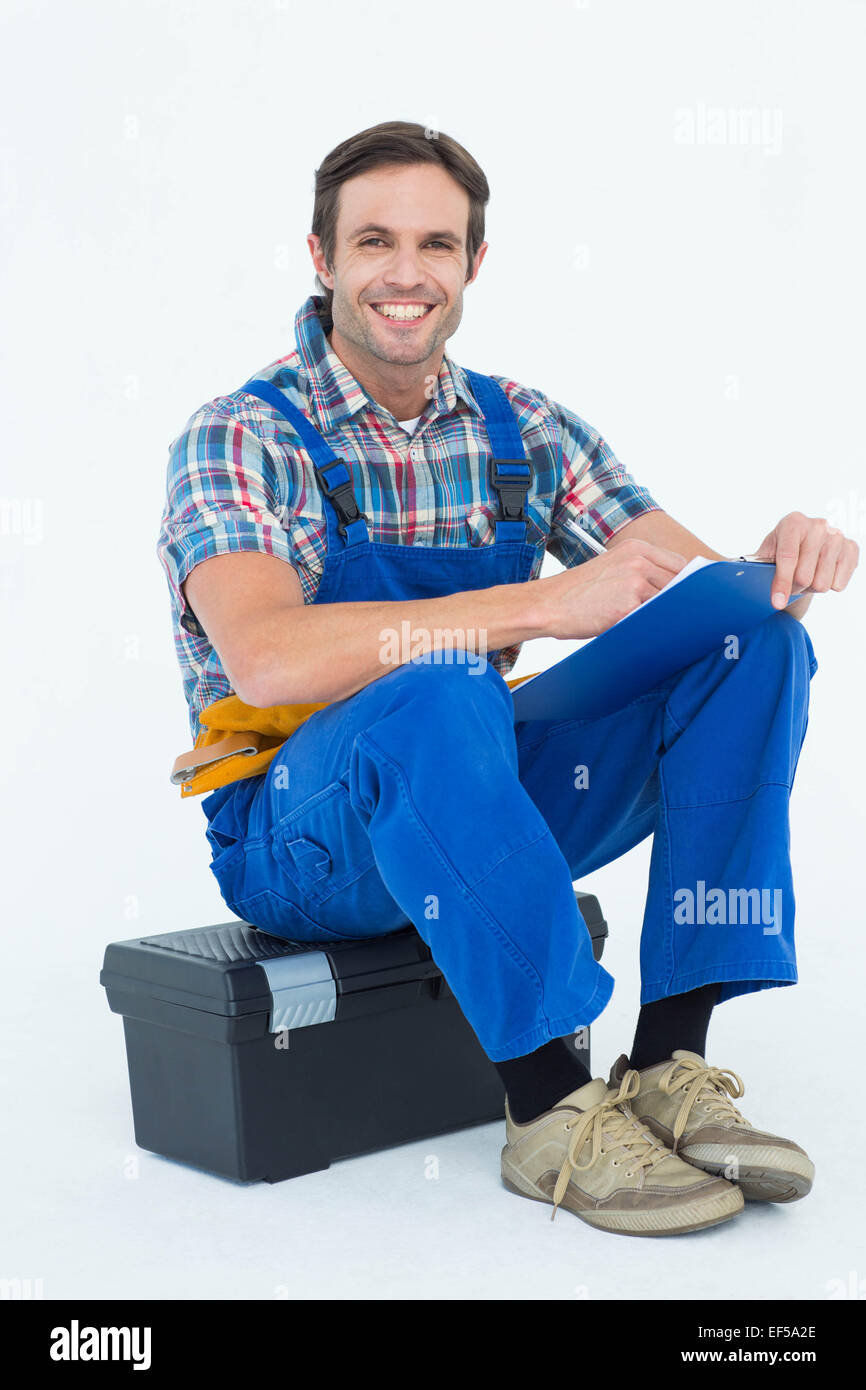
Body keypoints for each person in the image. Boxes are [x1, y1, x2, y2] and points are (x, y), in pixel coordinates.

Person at [157, 120, 858, 1237]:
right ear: (320, 257)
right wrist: (536, 603)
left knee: (753, 646)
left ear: (471, 265)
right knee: (440, 690)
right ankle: (546, 1111)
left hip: (469, 800)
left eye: (435, 244)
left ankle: (668, 1059)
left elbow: (690, 604)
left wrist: (777, 567)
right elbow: (269, 655)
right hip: (298, 841)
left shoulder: (522, 428)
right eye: (373, 240)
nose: (404, 272)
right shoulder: (242, 437)